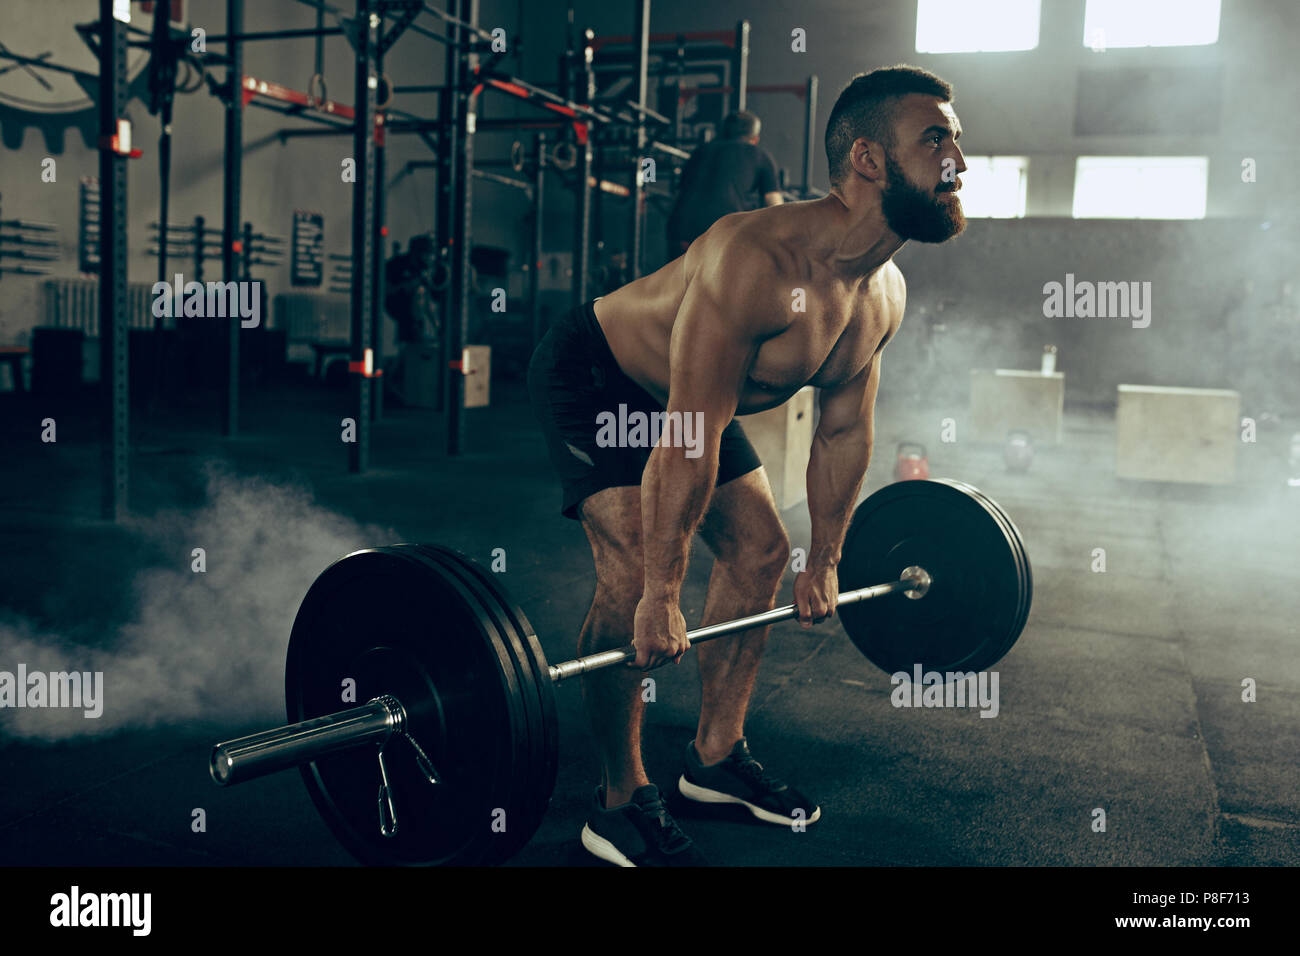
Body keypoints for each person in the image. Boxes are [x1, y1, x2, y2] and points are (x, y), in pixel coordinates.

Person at [527, 65, 967, 866]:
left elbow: (841, 435)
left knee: (764, 550)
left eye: (956, 140)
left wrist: (825, 560)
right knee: (632, 571)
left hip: (697, 396)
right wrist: (665, 594)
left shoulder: (883, 292)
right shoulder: (754, 258)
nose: (958, 163)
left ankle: (715, 760)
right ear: (870, 160)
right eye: (936, 140)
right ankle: (620, 799)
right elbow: (688, 434)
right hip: (599, 374)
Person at [665, 110, 786, 258]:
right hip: (723, 233)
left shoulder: (700, 151)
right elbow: (776, 206)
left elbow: (678, 194)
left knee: (681, 278)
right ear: (755, 138)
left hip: (681, 231)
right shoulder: (760, 156)